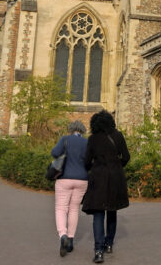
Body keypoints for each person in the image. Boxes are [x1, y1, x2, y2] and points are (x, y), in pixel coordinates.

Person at [81, 110, 130, 264]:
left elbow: (87, 161)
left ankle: (98, 250)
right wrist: (117, 166)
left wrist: (93, 167)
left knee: (98, 213)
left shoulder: (93, 139)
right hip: (115, 178)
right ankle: (109, 243)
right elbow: (126, 157)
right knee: (112, 210)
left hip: (99, 177)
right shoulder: (118, 135)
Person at [51, 120, 88, 257]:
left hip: (64, 178)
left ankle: (63, 236)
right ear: (82, 130)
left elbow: (55, 153)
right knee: (74, 209)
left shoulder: (65, 139)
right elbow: (90, 160)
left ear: (71, 129)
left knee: (61, 208)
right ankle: (71, 240)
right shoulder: (86, 142)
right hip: (82, 179)